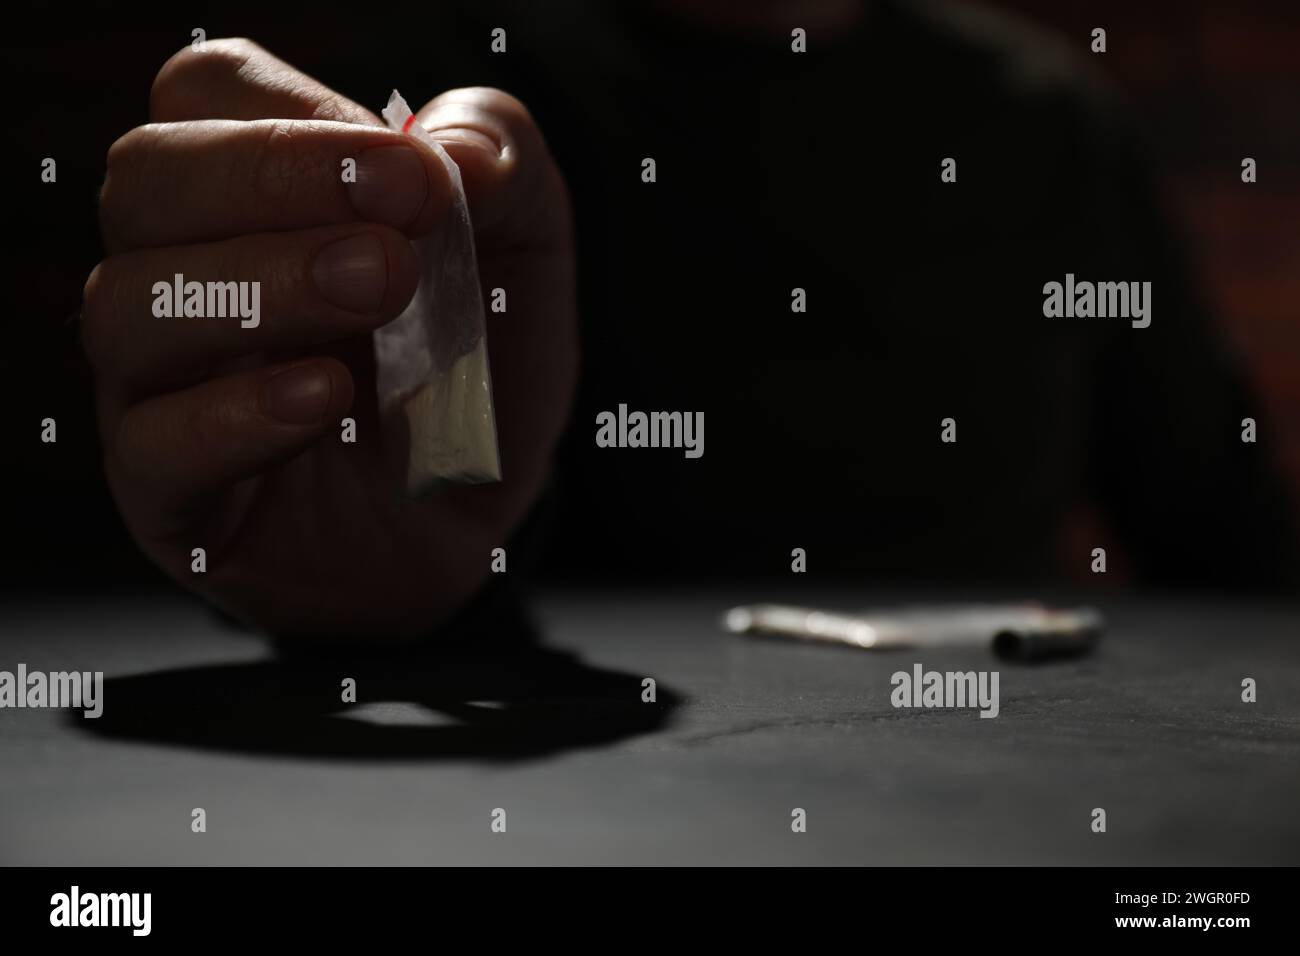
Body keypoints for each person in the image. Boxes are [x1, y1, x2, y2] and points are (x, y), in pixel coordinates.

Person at [74, 1, 1298, 644]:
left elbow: (1223, 527)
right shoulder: (438, 86)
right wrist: (381, 586)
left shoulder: (1049, 123)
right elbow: (405, 507)